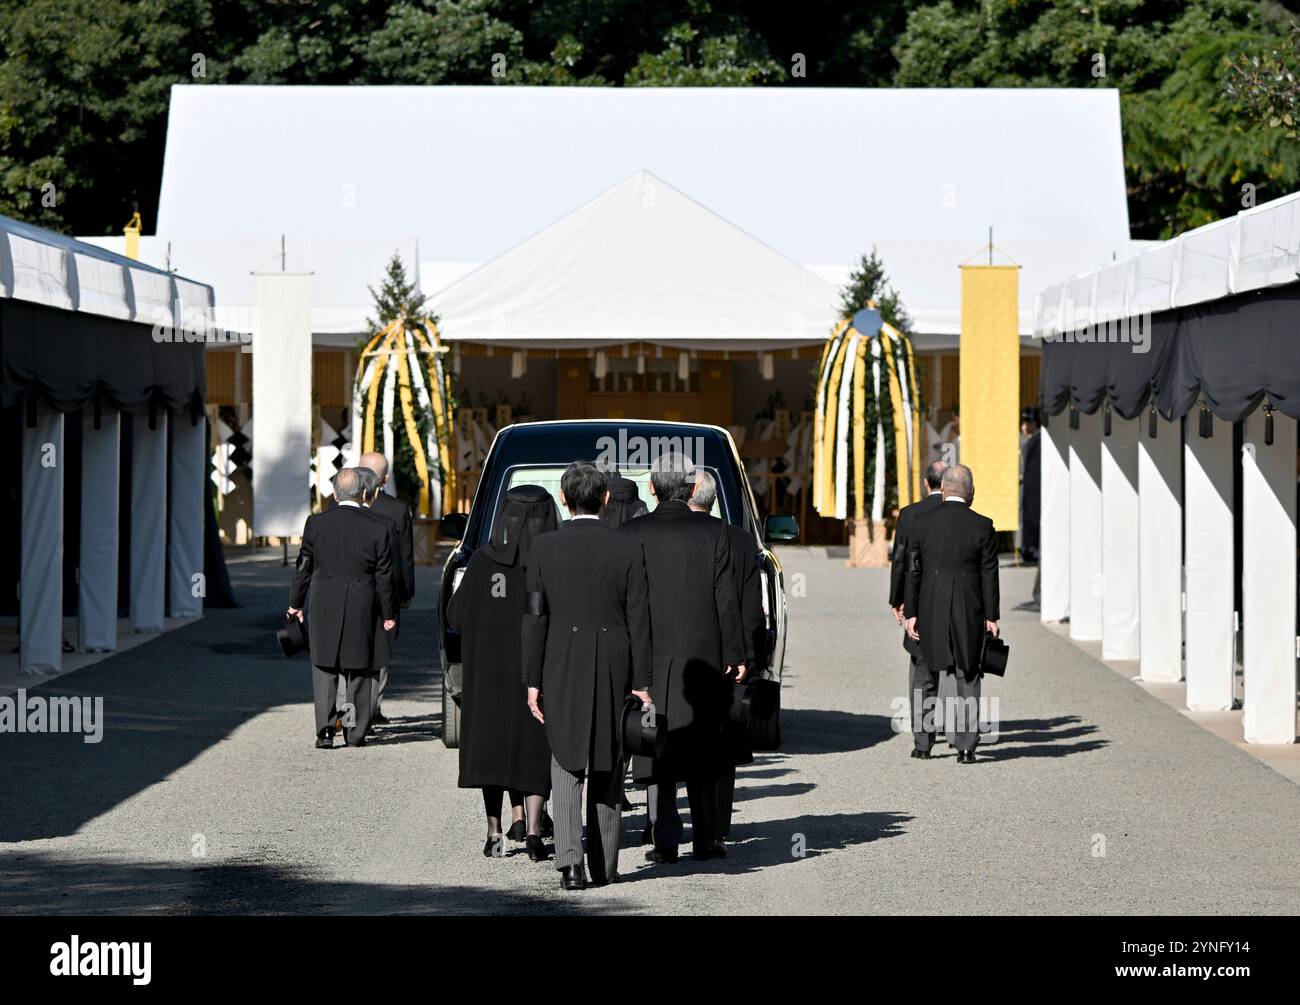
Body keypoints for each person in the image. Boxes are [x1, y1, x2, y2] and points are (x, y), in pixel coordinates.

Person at [522, 462, 653, 890]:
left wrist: (532, 678)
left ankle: (570, 863)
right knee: (609, 758)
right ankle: (606, 862)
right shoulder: (628, 546)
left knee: (565, 757)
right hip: (615, 658)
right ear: (606, 498)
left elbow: (535, 617)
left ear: (563, 499)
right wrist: (642, 679)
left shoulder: (543, 547)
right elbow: (640, 618)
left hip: (560, 658)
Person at [623, 451, 745, 864]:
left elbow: (628, 601)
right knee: (703, 749)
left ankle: (664, 840)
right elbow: (725, 597)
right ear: (693, 489)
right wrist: (736, 652)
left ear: (652, 488)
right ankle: (707, 838)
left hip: (651, 653)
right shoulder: (716, 532)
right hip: (704, 653)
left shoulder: (632, 531)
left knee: (658, 746)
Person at [446, 486, 557, 863]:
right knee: (534, 746)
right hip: (535, 672)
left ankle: (494, 830)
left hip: (488, 672)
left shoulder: (481, 562)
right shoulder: (548, 565)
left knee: (491, 749)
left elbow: (455, 616)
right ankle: (532, 828)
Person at [288, 467, 396, 749]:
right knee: (358, 668)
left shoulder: (315, 524)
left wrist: (295, 604)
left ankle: (325, 731)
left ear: (335, 494)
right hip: (363, 602)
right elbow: (385, 576)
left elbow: (303, 567)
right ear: (363, 494)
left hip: (323, 600)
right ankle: (353, 731)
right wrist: (389, 614)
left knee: (324, 666)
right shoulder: (380, 526)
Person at [904, 464, 1000, 764]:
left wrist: (911, 611)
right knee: (968, 675)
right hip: (969, 610)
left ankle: (923, 743)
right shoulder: (983, 525)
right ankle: (967, 747)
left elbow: (913, 571)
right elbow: (989, 574)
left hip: (930, 606)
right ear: (970, 492)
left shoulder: (921, 523)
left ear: (942, 489)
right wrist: (991, 615)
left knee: (924, 674)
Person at [686, 468, 761, 848]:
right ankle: (718, 827)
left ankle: (674, 828)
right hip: (730, 656)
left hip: (685, 654)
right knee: (722, 744)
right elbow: (751, 606)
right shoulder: (742, 541)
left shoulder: (676, 535)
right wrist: (748, 654)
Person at [890, 460, 947, 759]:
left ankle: (923, 742)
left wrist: (897, 599)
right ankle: (957, 731)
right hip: (954, 605)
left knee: (921, 674)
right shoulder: (964, 515)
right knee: (952, 670)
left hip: (921, 603)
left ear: (926, 483)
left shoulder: (911, 514)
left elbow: (901, 560)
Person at [357, 451, 415, 724]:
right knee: (382, 651)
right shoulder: (397, 509)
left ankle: (349, 710)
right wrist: (406, 592)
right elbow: (405, 555)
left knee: (351, 648)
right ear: (386, 479)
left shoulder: (339, 506)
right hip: (387, 591)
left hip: (352, 591)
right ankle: (373, 706)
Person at [1019, 408, 1041, 565]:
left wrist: (1023, 478)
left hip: (1033, 489)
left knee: (1032, 514)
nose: (1023, 427)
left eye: (1026, 423)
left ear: (1034, 423)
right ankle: (1029, 546)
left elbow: (1033, 471)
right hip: (1030, 488)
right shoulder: (1033, 441)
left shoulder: (1037, 441)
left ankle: (1031, 547)